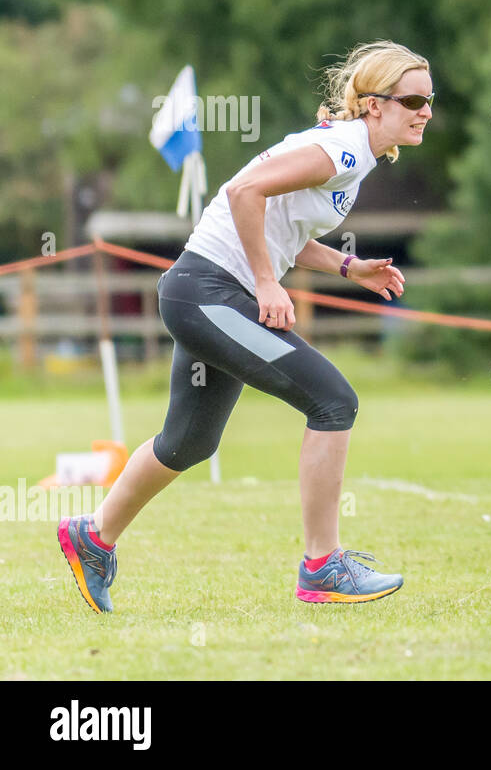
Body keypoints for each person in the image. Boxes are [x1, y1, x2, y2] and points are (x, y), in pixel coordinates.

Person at [57, 40, 433, 612]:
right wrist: (265, 282)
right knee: (333, 401)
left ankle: (93, 536)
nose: (425, 110)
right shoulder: (344, 151)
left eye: (430, 99)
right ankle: (322, 567)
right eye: (413, 99)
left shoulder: (351, 157)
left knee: (188, 443)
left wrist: (348, 266)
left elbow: (281, 226)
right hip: (208, 292)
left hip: (202, 293)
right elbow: (243, 193)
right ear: (375, 105)